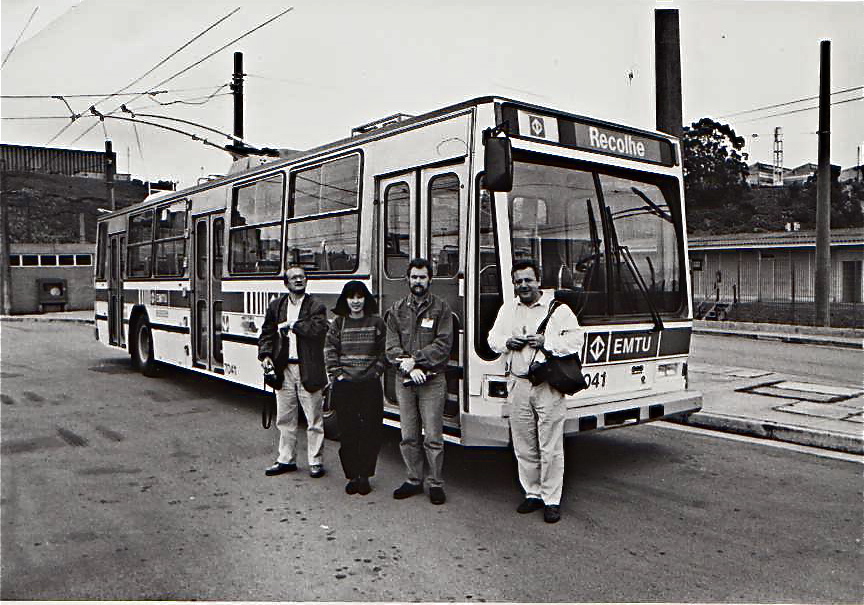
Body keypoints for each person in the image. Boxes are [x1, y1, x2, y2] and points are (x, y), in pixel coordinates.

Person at [487, 260, 585, 523]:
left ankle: (552, 500)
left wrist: (547, 342)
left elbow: (577, 340)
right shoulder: (508, 309)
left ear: (538, 281)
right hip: (518, 384)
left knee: (551, 445)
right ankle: (533, 494)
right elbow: (492, 339)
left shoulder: (559, 310)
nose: (523, 286)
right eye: (518, 281)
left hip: (548, 386)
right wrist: (507, 342)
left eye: (528, 280)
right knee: (524, 443)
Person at [385, 258, 454, 505]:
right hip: (405, 381)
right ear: (407, 279)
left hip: (432, 381)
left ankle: (435, 483)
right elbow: (391, 346)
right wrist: (408, 365)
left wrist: (416, 360)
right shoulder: (396, 309)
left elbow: (443, 344)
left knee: (433, 436)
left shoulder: (441, 309)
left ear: (430, 280)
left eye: (422, 277)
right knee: (408, 435)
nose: (418, 282)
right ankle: (413, 479)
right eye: (414, 277)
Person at [258, 265, 329, 478]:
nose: (299, 280)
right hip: (284, 368)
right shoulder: (276, 306)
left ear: (307, 281)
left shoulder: (316, 306)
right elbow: (266, 334)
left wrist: (294, 325)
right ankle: (286, 459)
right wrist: (266, 355)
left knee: (314, 419)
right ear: (286, 283)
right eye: (294, 278)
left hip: (308, 369)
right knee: (285, 418)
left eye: (302, 277)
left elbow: (318, 329)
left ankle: (315, 462)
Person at [324, 280, 386, 496]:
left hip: (369, 384)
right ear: (346, 300)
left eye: (360, 297)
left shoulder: (377, 322)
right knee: (349, 432)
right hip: (345, 385)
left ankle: (365, 476)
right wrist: (338, 375)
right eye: (352, 297)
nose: (356, 302)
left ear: (365, 299)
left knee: (370, 431)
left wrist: (376, 371)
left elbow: (383, 351)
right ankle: (352, 476)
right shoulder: (338, 323)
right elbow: (330, 351)